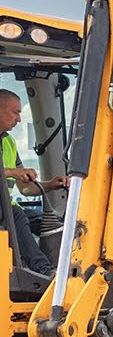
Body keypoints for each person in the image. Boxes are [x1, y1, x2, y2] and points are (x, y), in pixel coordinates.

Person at [0, 89, 67, 275]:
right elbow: (15, 174)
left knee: (52, 223)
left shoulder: (9, 143)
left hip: (5, 208)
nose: (19, 119)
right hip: (6, 211)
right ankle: (43, 271)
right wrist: (14, 172)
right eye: (16, 112)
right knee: (15, 216)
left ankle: (66, 269)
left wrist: (51, 184)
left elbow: (25, 189)